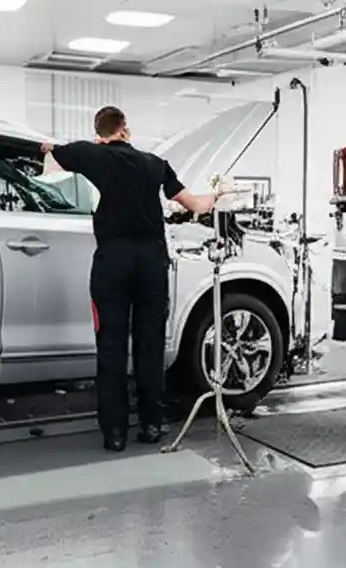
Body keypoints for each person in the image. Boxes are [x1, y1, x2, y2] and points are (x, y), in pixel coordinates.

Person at [41, 106, 217, 452]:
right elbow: (195, 204)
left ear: (100, 133)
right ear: (127, 131)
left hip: (112, 262)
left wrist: (51, 148)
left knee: (111, 346)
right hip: (151, 262)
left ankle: (115, 433)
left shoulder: (90, 153)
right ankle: (152, 424)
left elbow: (50, 158)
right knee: (149, 345)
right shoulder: (155, 164)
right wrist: (217, 196)